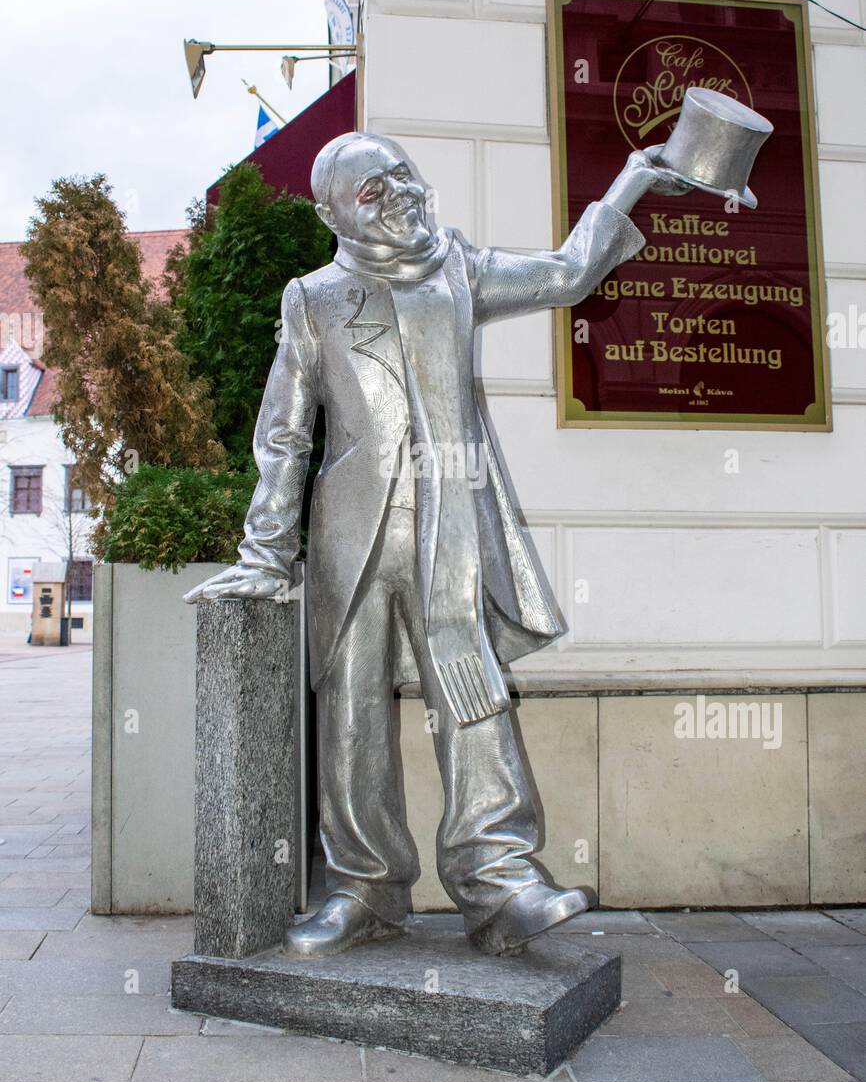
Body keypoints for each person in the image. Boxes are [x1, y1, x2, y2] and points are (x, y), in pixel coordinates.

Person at [186, 132, 690, 956]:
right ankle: (362, 890)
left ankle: (501, 884)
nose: (401, 197)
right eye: (373, 191)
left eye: (403, 177)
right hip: (353, 538)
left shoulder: (459, 269)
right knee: (349, 715)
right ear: (332, 214)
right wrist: (265, 553)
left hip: (451, 531)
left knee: (474, 697)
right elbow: (283, 435)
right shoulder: (311, 299)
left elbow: (568, 273)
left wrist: (630, 180)